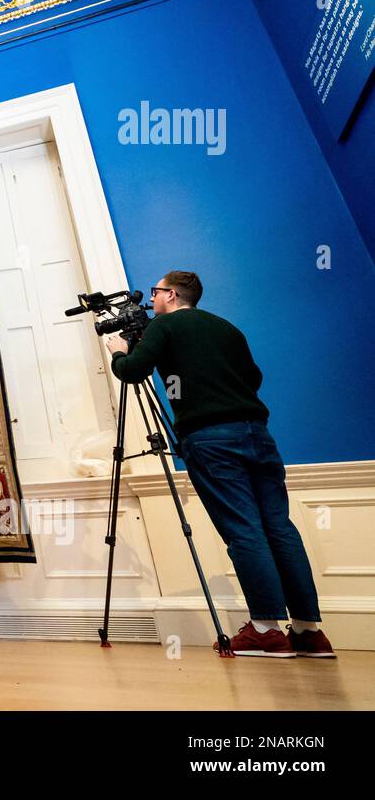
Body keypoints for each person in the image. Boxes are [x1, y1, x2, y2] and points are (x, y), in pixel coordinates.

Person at [106, 270, 333, 658]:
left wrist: (117, 349)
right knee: (279, 527)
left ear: (173, 295)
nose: (153, 300)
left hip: (211, 440)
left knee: (243, 529)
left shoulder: (165, 326)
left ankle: (265, 629)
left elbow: (132, 371)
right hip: (257, 434)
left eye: (157, 292)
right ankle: (308, 631)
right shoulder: (228, 328)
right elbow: (253, 377)